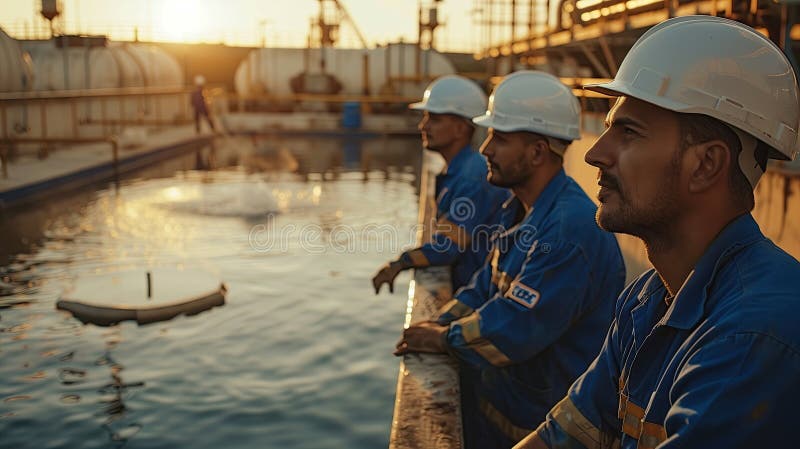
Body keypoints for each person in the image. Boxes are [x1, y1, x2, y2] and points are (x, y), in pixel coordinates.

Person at [515, 16, 800, 449]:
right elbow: (568, 433)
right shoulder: (647, 300)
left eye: (628, 132)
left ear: (705, 165)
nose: (594, 153)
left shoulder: (755, 335)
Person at [395, 71, 625, 449]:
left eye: (498, 138)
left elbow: (516, 327)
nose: (484, 149)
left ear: (537, 152)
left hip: (535, 425)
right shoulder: (520, 207)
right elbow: (488, 282)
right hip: (504, 405)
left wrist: (443, 338)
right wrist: (442, 319)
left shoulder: (567, 231)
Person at [372, 75, 509, 294]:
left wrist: (400, 263)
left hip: (479, 295)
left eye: (434, 119)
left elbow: (448, 248)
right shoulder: (463, 169)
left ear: (460, 129)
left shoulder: (471, 177)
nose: (423, 125)